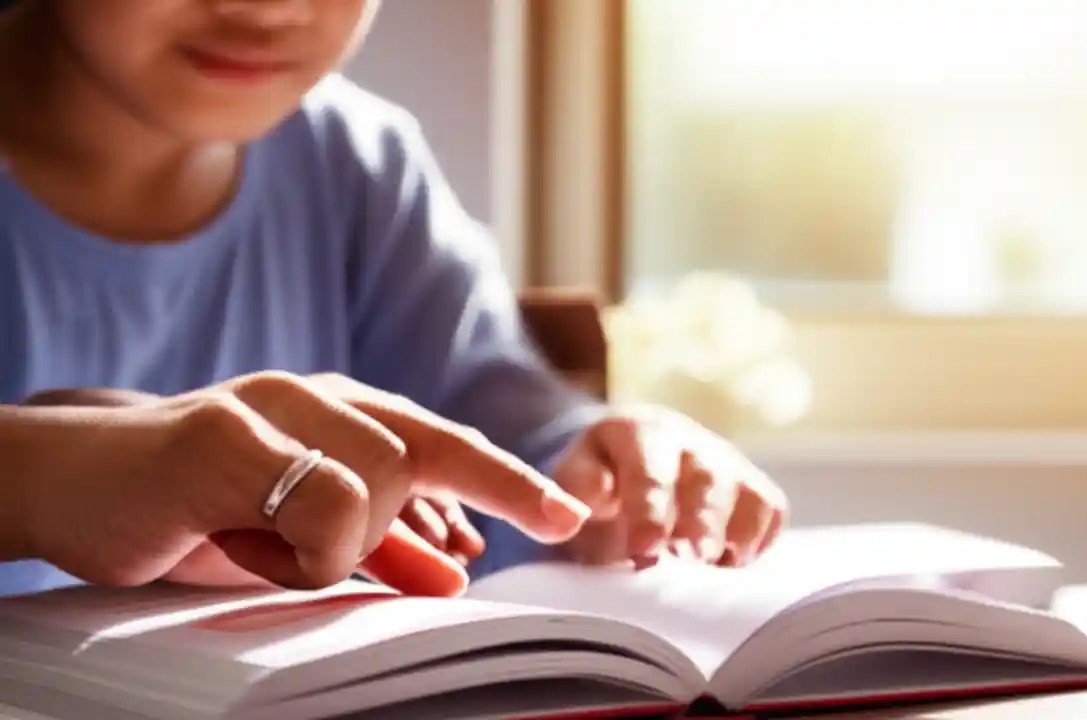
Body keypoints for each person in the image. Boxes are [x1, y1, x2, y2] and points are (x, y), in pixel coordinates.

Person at [0, 0, 788, 598]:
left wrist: (602, 470)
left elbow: (504, 428)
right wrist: (45, 473)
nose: (270, 8)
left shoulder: (359, 163)